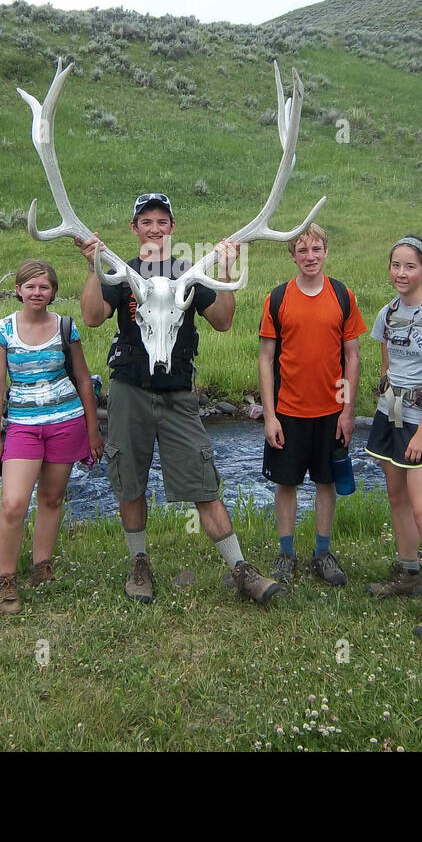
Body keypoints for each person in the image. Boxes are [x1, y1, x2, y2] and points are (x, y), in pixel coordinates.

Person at [75, 192, 281, 605]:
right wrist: (95, 267)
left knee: (203, 484)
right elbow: (93, 316)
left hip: (178, 395)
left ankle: (239, 568)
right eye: (146, 221)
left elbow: (222, 321)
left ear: (172, 228)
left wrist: (224, 270)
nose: (154, 228)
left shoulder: (192, 274)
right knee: (129, 483)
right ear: (134, 229)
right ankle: (139, 564)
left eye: (161, 221)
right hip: (130, 389)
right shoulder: (123, 274)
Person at [0, 259, 103, 615]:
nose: (37, 293)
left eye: (44, 287)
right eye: (30, 286)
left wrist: (92, 428)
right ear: (18, 289)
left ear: (53, 292)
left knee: (51, 498)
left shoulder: (65, 328)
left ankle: (42, 566)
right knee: (14, 503)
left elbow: (84, 380)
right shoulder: (1, 331)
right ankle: (6, 580)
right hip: (22, 426)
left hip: (66, 422)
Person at [258, 223, 365, 586]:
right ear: (291, 255)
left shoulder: (342, 295)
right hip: (288, 411)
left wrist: (347, 411)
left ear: (326, 251)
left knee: (325, 482)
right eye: (302, 251)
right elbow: (265, 358)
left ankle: (322, 553)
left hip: (331, 412)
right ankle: (286, 554)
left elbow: (352, 357)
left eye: (316, 249)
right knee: (285, 483)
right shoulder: (276, 298)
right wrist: (270, 416)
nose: (310, 257)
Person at [364, 235, 422, 638]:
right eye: (395, 265)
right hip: (390, 418)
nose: (401, 273)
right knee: (397, 499)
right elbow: (386, 363)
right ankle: (407, 573)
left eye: (410, 266)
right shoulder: (387, 313)